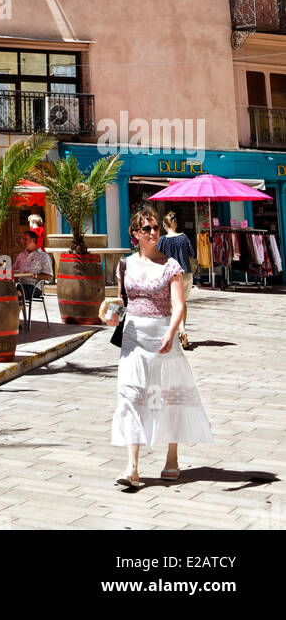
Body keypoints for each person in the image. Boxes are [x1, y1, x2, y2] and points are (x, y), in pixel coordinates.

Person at [109, 207, 212, 488]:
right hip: (132, 338)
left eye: (155, 227)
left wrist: (172, 332)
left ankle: (172, 456)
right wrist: (108, 313)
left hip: (161, 334)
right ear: (135, 234)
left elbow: (180, 304)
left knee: (167, 397)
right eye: (147, 229)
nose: (154, 232)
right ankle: (131, 466)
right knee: (131, 396)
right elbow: (121, 301)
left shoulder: (171, 266)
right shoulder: (124, 264)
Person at [158, 212, 197, 351]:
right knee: (182, 304)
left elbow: (157, 258)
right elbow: (192, 253)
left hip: (171, 277)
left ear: (164, 225)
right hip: (186, 275)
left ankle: (180, 332)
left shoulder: (162, 240)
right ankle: (183, 330)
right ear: (176, 223)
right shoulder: (184, 237)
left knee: (173, 304)